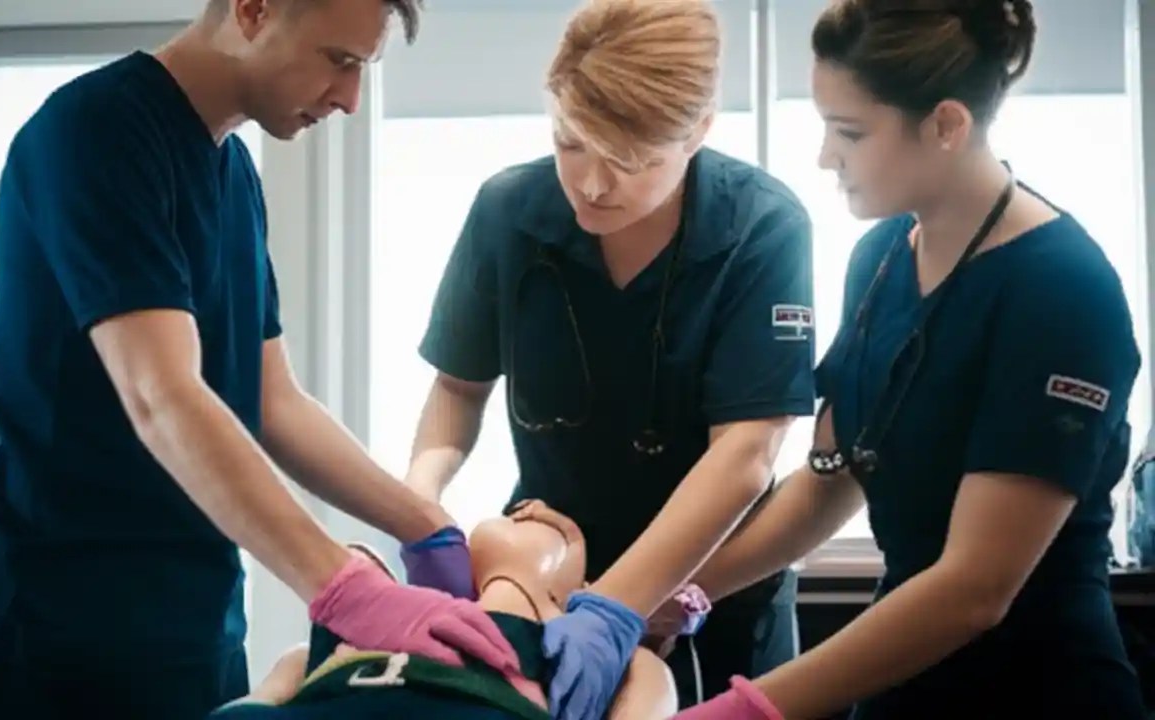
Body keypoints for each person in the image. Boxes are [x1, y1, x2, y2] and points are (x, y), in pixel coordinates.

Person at [0, 1, 521, 718]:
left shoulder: (233, 175)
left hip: (198, 620)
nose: (350, 100)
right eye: (340, 61)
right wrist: (346, 588)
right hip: (71, 627)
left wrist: (421, 522)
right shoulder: (96, 131)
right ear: (254, 9)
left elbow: (273, 400)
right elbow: (161, 394)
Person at [671, 1, 1149, 718]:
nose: (825, 156)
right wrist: (675, 590)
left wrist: (748, 708)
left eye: (850, 132)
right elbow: (832, 479)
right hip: (903, 687)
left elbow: (973, 589)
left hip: (1041, 689)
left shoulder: (1062, 290)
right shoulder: (882, 256)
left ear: (947, 125)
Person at [404, 0, 816, 716]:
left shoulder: (762, 227)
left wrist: (628, 604)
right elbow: (456, 390)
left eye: (630, 160)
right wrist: (420, 506)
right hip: (549, 570)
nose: (593, 183)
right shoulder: (507, 211)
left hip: (712, 588)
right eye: (571, 143)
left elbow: (748, 453)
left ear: (699, 132)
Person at [212, 501, 680, 720]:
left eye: (556, 524)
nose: (527, 508)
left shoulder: (593, 652)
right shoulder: (335, 640)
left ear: (573, 595)